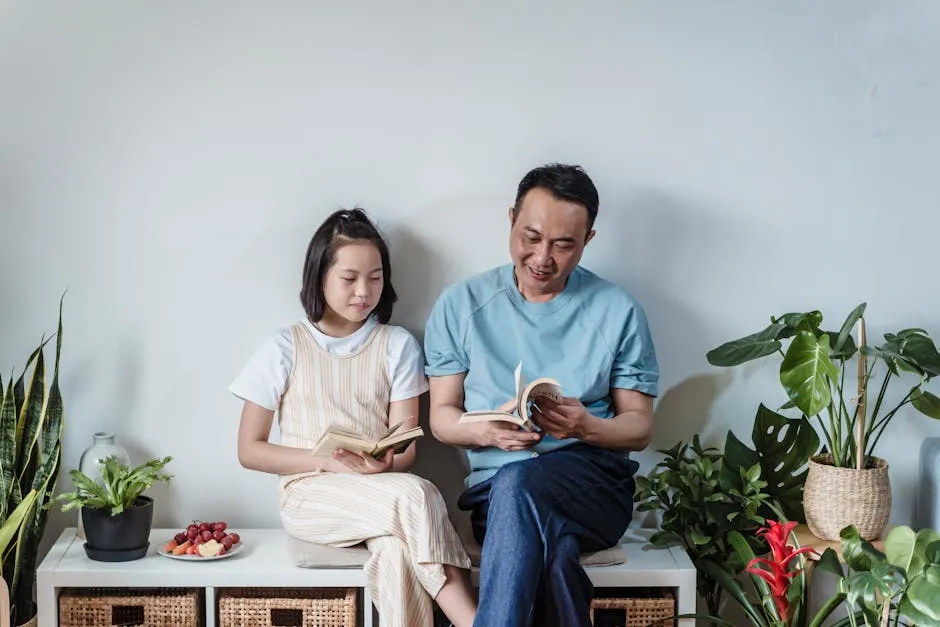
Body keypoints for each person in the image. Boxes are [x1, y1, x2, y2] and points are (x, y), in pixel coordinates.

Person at [424, 163, 659, 626]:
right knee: (551, 549)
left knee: (520, 486)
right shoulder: (462, 305)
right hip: (495, 496)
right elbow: (442, 416)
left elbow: (640, 426)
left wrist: (587, 426)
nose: (541, 257)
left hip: (593, 487)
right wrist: (487, 432)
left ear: (588, 240)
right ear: (511, 219)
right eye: (530, 237)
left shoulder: (618, 310)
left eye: (563, 244)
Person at [230, 208, 476, 627]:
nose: (364, 291)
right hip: (309, 495)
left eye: (375, 277)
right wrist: (322, 460)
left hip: (382, 492)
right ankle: (476, 621)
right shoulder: (284, 346)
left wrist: (385, 462)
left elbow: (404, 449)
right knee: (419, 494)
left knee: (397, 551)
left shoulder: (396, 345)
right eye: (349, 279)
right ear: (319, 276)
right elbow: (249, 450)